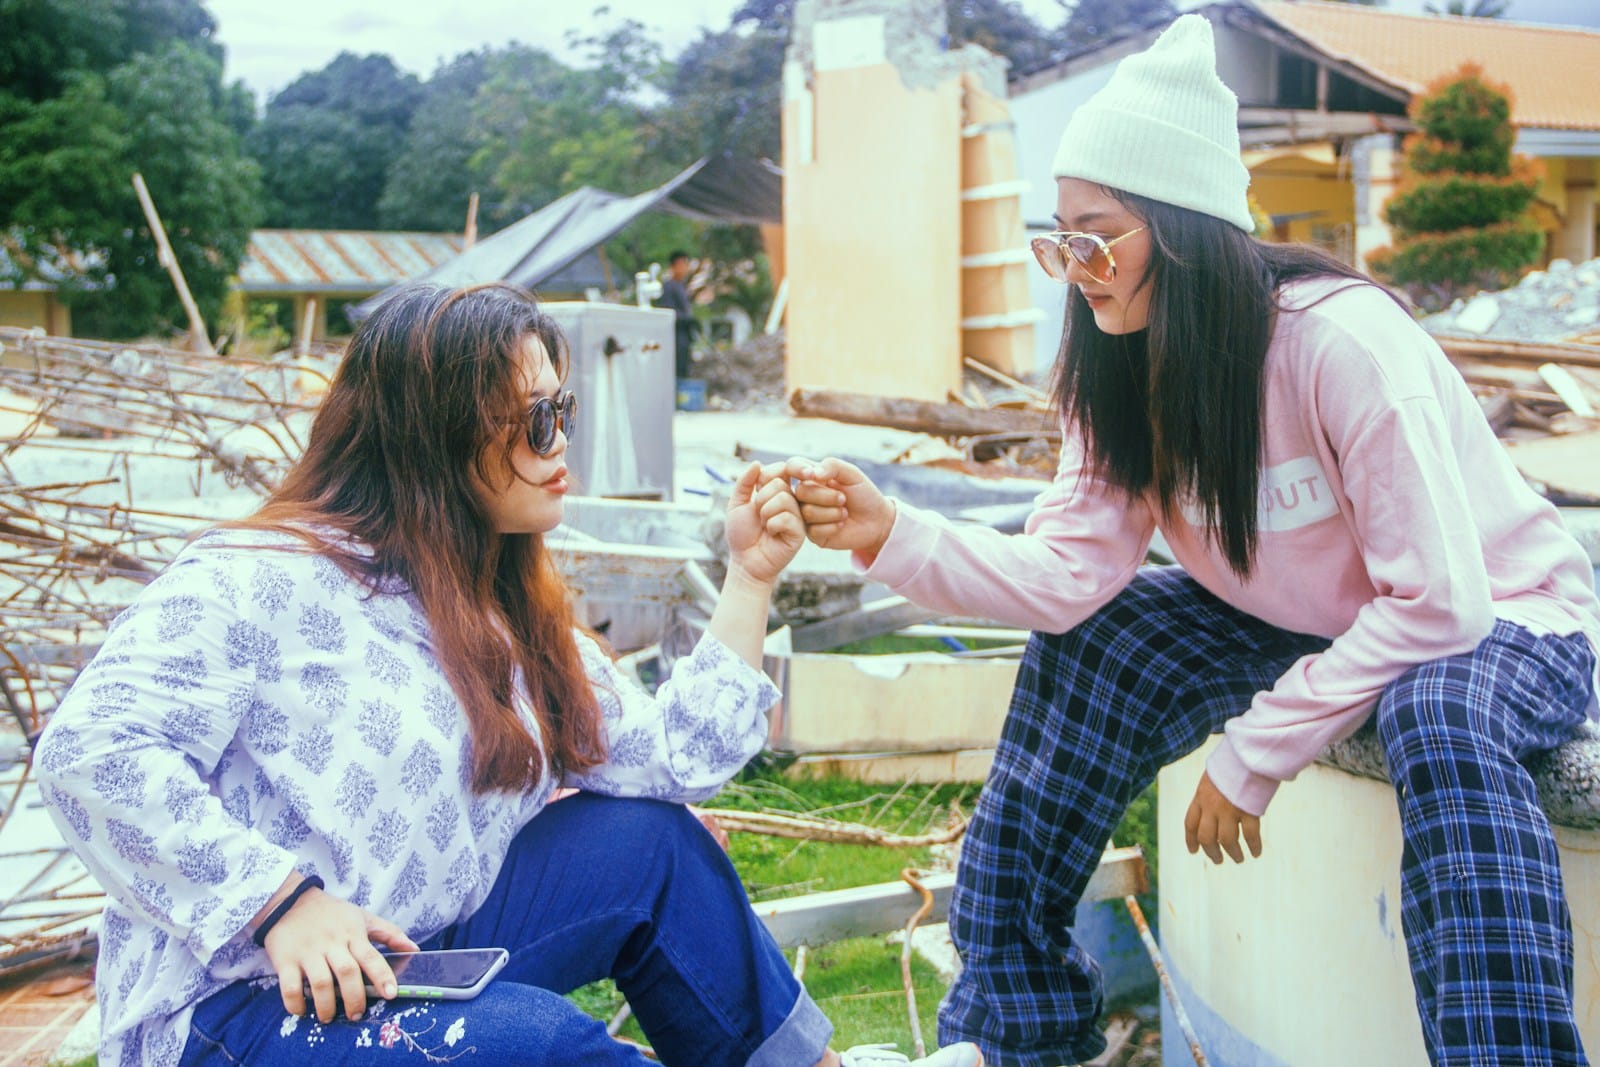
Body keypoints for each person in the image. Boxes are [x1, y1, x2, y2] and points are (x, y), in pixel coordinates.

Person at [786, 15, 1600, 1067]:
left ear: (1182, 227)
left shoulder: (1340, 344)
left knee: (1433, 709)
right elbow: (1072, 575)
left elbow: (1441, 606)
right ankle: (1010, 1032)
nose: (1071, 263)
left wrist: (1257, 748)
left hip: (1504, 620)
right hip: (1307, 626)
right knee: (1103, 640)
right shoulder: (1114, 364)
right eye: (1060, 233)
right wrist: (890, 530)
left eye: (1096, 233)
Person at [33, 283, 982, 1067]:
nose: (561, 441)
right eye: (536, 419)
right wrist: (277, 903)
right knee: (541, 1046)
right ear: (434, 434)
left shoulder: (497, 594)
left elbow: (667, 761)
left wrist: (751, 576)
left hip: (406, 949)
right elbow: (90, 749)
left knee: (649, 844)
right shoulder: (259, 577)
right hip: (240, 1003)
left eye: (561, 409)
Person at [660, 250, 700, 380]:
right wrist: (687, 319)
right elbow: (669, 312)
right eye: (682, 265)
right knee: (677, 371)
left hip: (685, 336)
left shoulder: (682, 286)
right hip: (675, 337)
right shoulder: (669, 286)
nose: (685, 268)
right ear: (674, 266)